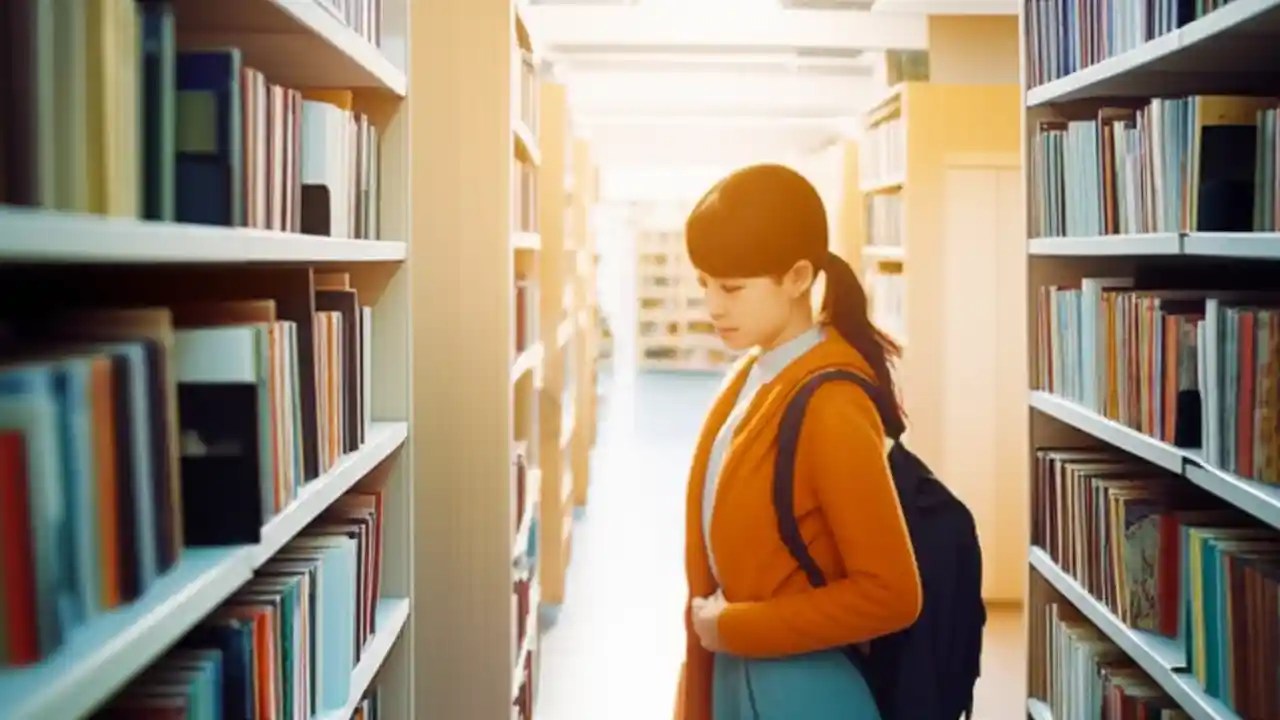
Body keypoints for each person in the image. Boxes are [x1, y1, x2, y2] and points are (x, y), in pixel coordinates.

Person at [674, 164, 923, 720]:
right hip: (744, 676)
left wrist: (732, 626)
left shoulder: (830, 404)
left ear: (797, 277)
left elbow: (891, 593)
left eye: (732, 287)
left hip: (804, 690)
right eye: (705, 284)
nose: (713, 305)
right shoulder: (751, 374)